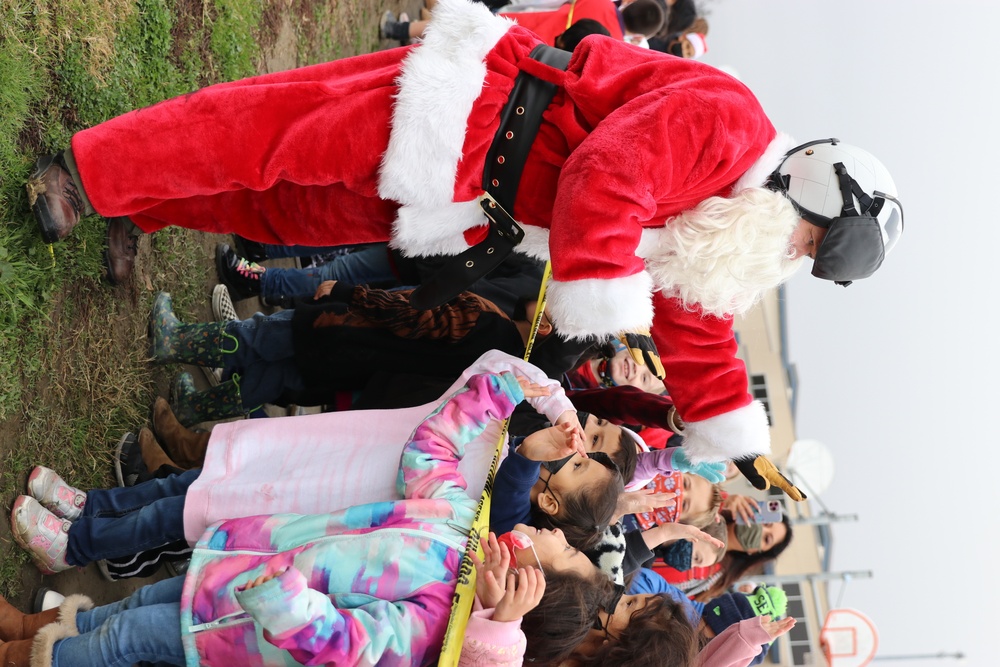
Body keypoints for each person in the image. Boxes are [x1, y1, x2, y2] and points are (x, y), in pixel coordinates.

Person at [26, 0, 904, 469]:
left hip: (469, 205)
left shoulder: (725, 219)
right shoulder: (729, 121)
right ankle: (86, 172)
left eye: (809, 257)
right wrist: (597, 296)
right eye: (810, 239)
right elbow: (606, 179)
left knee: (278, 212)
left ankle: (139, 206)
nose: (795, 254)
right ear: (810, 186)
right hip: (469, 114)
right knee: (264, 138)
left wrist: (732, 434)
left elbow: (695, 313)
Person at [4, 371, 612, 667]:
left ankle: (24, 659)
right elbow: (431, 450)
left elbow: (351, 647)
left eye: (563, 551)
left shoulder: (437, 618)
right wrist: (500, 394)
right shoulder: (462, 524)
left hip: (244, 626)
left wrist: (286, 599)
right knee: (134, 606)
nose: (555, 534)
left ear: (530, 587)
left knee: (124, 641)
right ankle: (31, 629)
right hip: (236, 565)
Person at [11, 351, 582, 575]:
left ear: (552, 499)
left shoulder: (475, 503)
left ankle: (74, 548)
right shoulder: (485, 420)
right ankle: (91, 508)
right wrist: (556, 400)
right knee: (193, 481)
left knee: (180, 512)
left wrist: (532, 439)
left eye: (581, 462)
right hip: (308, 455)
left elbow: (447, 457)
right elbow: (493, 364)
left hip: (305, 504)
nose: (574, 443)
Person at [148, 280, 554, 424]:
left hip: (345, 331)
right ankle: (193, 409)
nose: (544, 291)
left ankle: (177, 341)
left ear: (547, 326)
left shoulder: (488, 320)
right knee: (272, 381)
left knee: (260, 335)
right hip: (355, 373)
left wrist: (350, 293)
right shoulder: (503, 371)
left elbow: (411, 313)